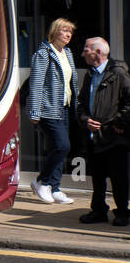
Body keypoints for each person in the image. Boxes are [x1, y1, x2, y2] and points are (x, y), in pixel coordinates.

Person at [75, 37, 130, 226]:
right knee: (97, 176)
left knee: (118, 177)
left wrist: (119, 123)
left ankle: (123, 212)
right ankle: (98, 211)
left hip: (114, 136)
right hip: (94, 136)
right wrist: (85, 120)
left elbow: (128, 102)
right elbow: (81, 104)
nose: (83, 54)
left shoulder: (118, 73)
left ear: (97, 53)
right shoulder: (90, 74)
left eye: (86, 50)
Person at [27, 17, 77, 205]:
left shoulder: (68, 53)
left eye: (70, 32)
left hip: (64, 107)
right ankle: (42, 181)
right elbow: (36, 83)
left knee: (59, 148)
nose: (68, 35)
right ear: (55, 32)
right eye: (64, 31)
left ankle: (54, 188)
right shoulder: (43, 54)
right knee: (63, 145)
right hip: (48, 108)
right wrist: (34, 111)